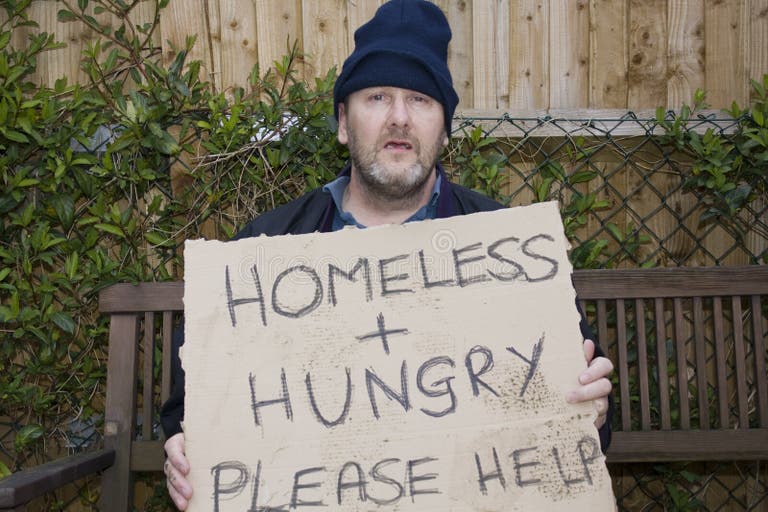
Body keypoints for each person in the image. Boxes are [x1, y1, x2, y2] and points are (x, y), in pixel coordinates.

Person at [160, 1, 614, 509]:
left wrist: (589, 411)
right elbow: (189, 406)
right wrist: (184, 448)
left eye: (420, 99)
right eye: (377, 96)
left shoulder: (511, 258)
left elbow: (586, 422)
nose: (399, 117)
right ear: (343, 124)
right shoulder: (263, 255)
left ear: (443, 130)